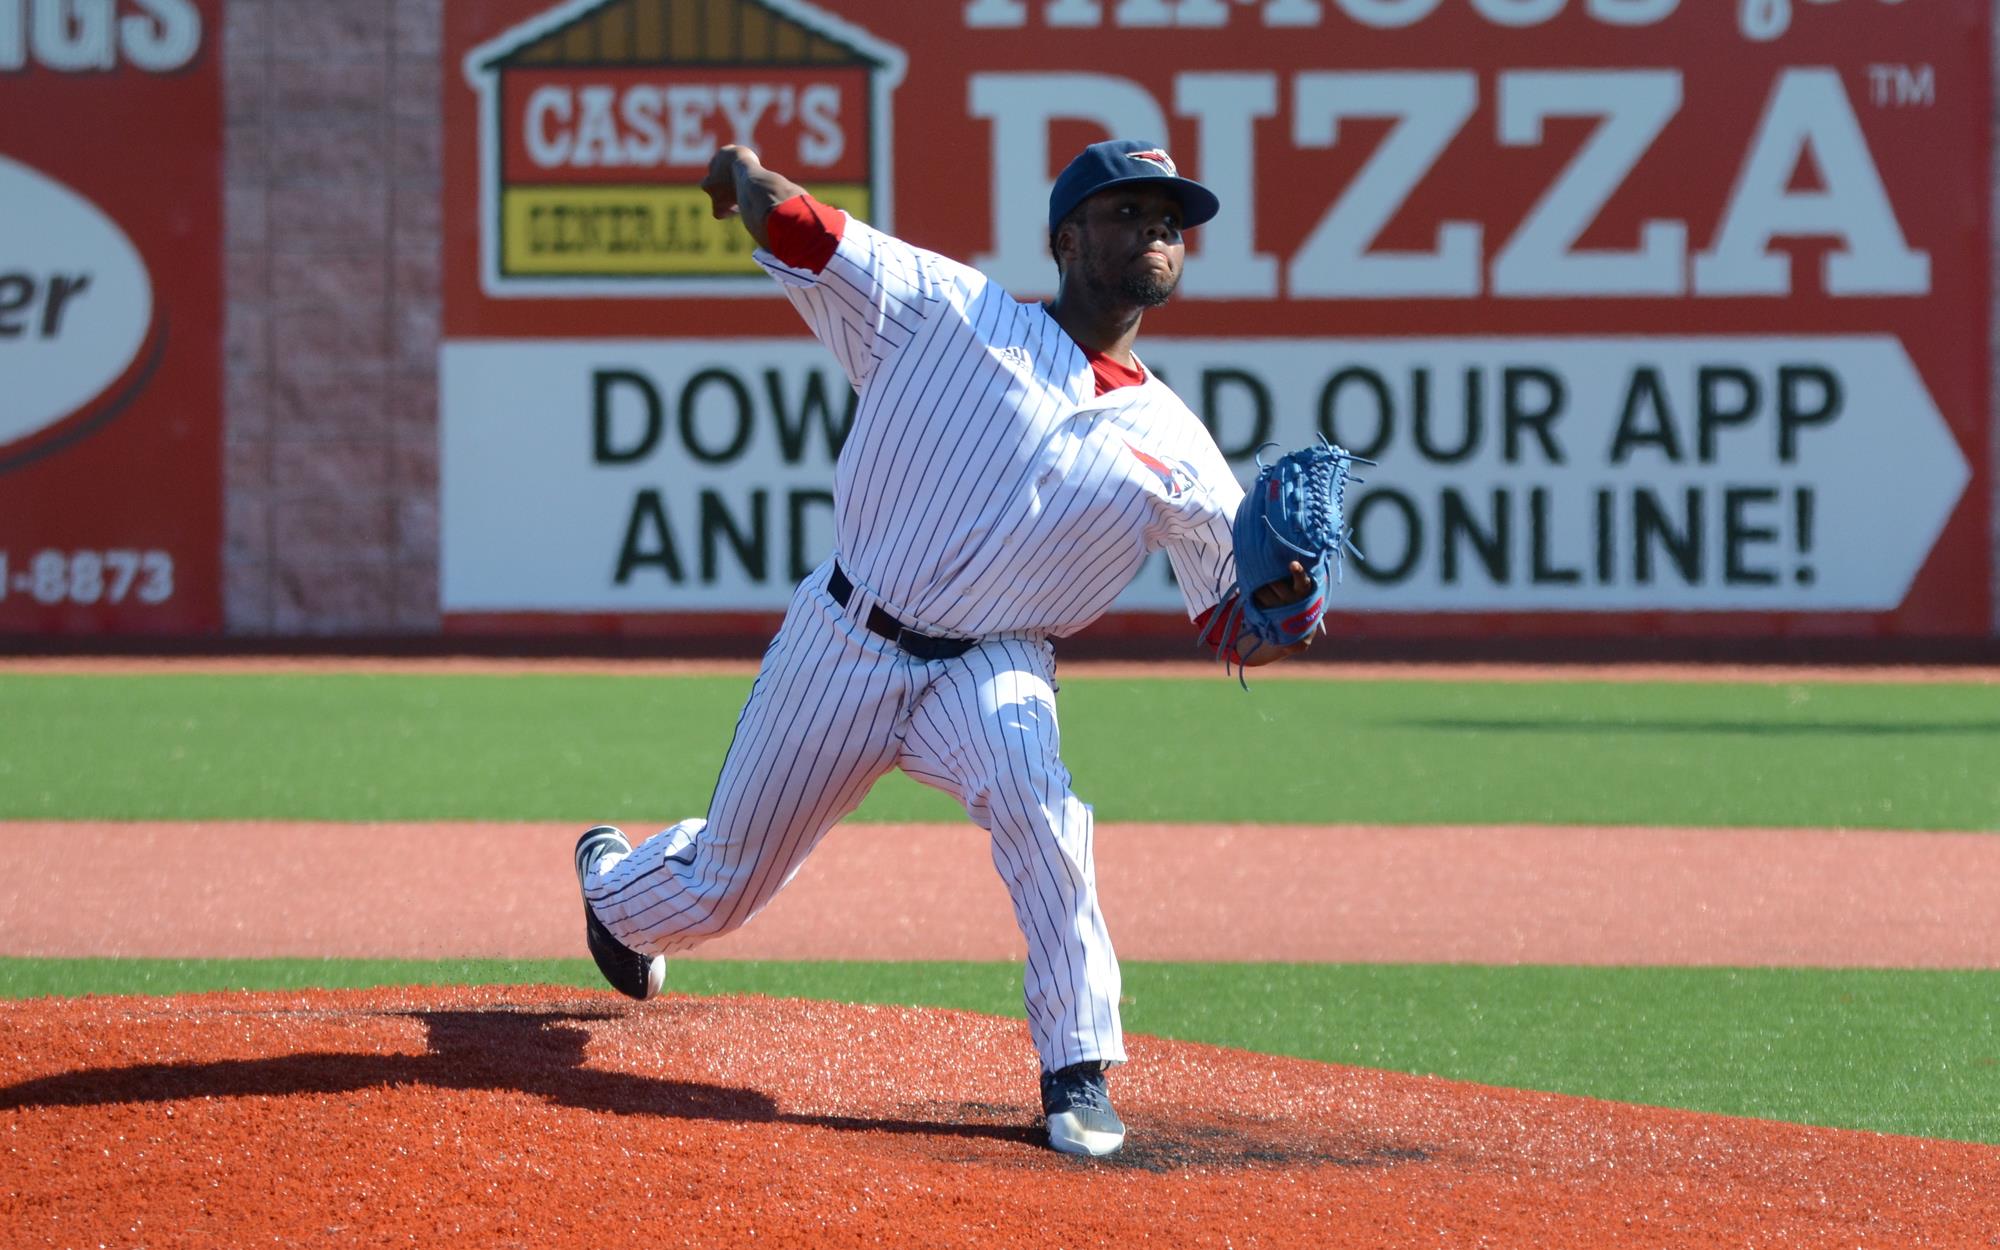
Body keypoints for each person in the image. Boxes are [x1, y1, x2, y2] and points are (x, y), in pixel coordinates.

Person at [573, 138, 1316, 1158]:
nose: (1156, 228)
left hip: (994, 662)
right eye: (1126, 210)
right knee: (721, 885)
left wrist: (1290, 600)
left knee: (1040, 804)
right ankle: (616, 893)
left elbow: (1237, 625)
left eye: (1169, 217)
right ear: (1063, 239)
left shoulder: (1179, 444)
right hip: (846, 635)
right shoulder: (945, 310)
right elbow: (801, 226)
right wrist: (740, 173)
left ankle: (1077, 1067)